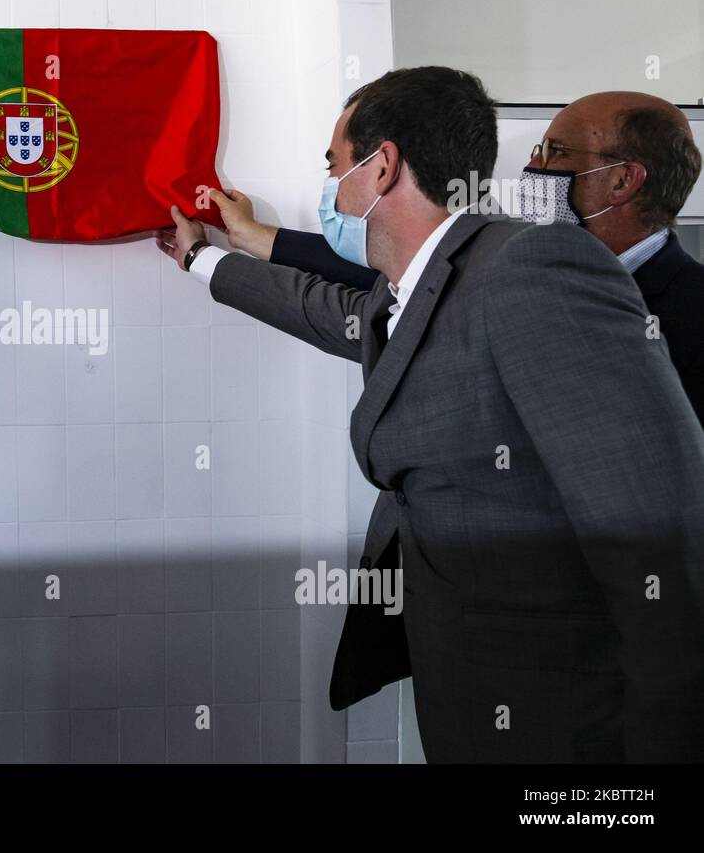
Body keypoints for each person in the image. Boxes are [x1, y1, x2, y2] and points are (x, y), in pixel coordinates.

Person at [157, 67, 704, 762]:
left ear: (381, 167)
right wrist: (204, 258)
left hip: (563, 722)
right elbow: (333, 311)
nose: (327, 186)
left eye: (333, 166)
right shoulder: (429, 283)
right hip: (471, 694)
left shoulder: (533, 268)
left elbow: (658, 530)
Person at [222, 92, 704, 420]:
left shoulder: (690, 316)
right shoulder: (511, 259)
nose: (533, 166)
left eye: (555, 152)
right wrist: (255, 237)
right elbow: (400, 266)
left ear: (622, 181)